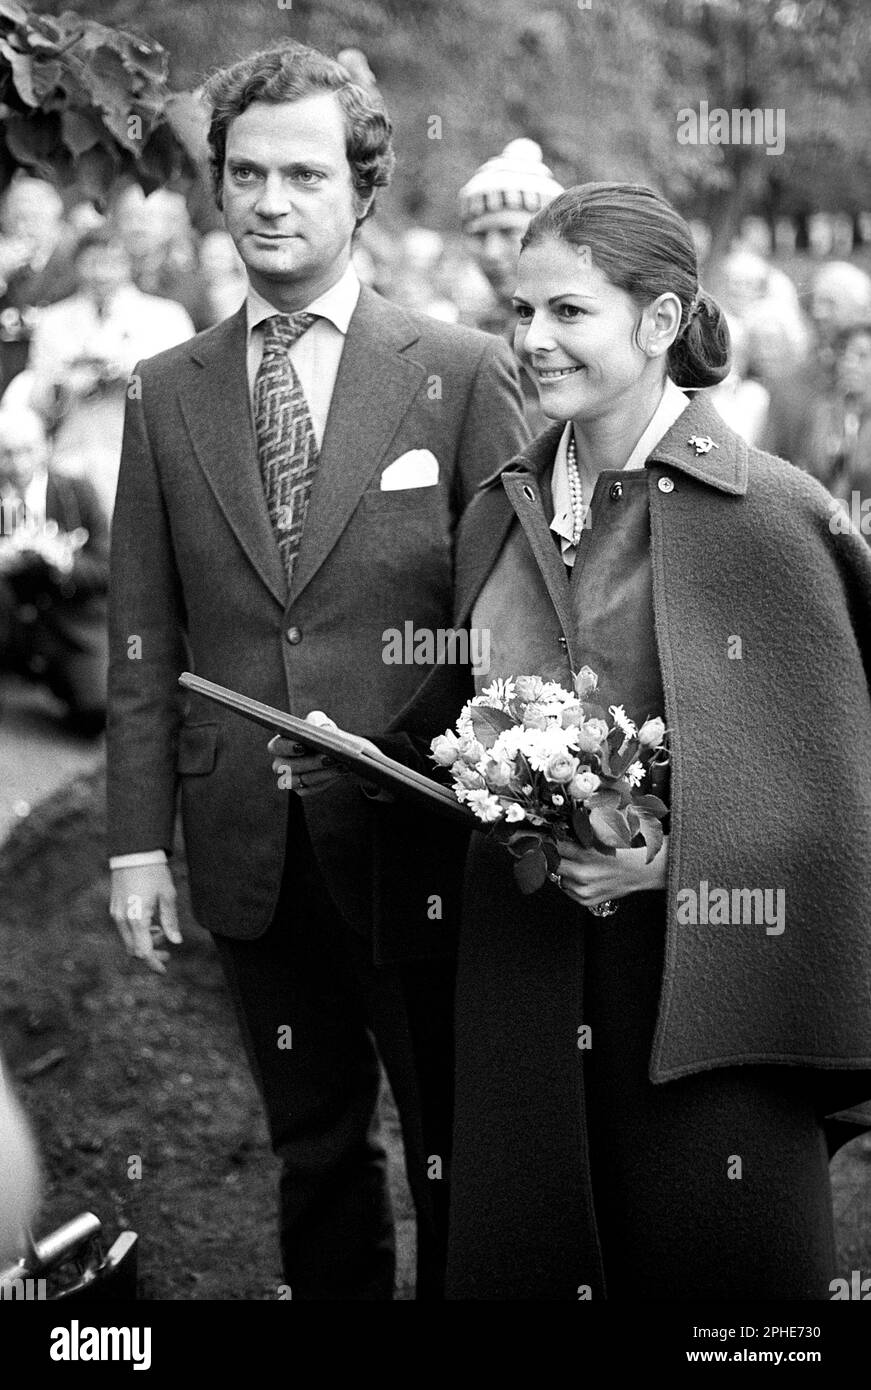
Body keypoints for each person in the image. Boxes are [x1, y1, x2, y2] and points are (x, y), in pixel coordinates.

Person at [275, 182, 871, 1300]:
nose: (533, 339)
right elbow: (465, 706)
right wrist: (354, 754)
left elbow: (837, 796)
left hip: (701, 996)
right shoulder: (499, 507)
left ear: (659, 322)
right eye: (519, 312)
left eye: (568, 311)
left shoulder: (776, 516)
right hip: (519, 977)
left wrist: (669, 862)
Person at [105, 40, 528, 1302]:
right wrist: (137, 841)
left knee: (457, 1150)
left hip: (420, 839)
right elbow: (144, 638)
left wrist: (403, 751)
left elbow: (504, 621)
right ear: (217, 189)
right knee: (314, 1147)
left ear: (361, 190)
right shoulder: (163, 391)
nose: (270, 200)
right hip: (243, 836)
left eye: (302, 173)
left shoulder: (457, 372)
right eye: (246, 173)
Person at [26, 228, 194, 519]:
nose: (101, 274)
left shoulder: (166, 316)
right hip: (73, 459)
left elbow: (184, 393)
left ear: (128, 265)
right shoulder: (53, 321)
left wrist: (129, 380)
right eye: (92, 263)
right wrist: (67, 386)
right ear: (77, 265)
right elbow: (38, 402)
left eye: (112, 263)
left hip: (142, 457)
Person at [0, 406, 108, 735]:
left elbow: (108, 570)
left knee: (95, 712)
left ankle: (56, 677)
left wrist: (63, 560)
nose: (17, 464)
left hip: (66, 624)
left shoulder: (77, 493)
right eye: (6, 453)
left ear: (45, 448)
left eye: (26, 451)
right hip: (10, 622)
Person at [459, 139, 563, 430]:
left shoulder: (584, 328)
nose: (491, 253)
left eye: (508, 233)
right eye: (479, 236)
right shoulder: (470, 329)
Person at [762, 260, 871, 469]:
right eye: (816, 303)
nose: (818, 312)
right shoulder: (789, 386)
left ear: (863, 310)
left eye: (830, 303)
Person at [0, 177, 77, 399]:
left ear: (55, 218)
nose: (25, 228)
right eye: (18, 218)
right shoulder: (4, 262)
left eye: (35, 217)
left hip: (56, 375)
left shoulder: (72, 260)